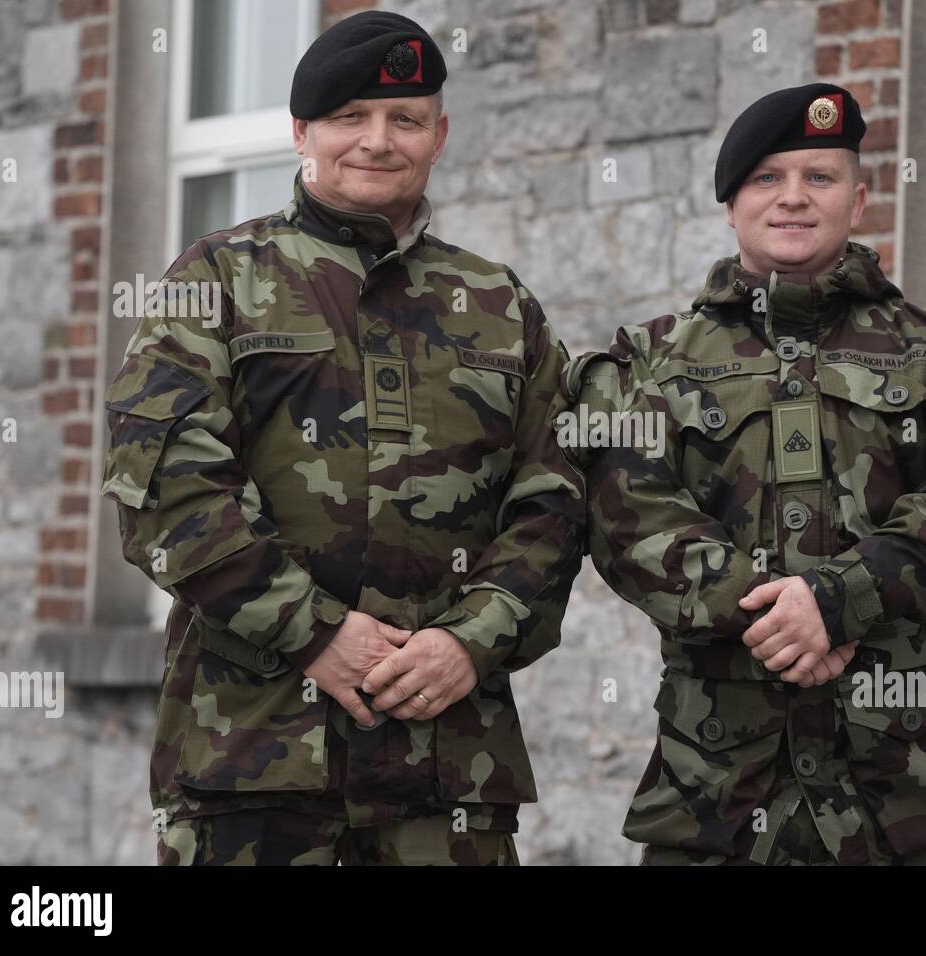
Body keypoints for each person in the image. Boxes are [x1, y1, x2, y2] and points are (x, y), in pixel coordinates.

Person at [100, 10, 582, 866]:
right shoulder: (216, 281)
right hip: (253, 763)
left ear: (440, 136)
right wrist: (314, 632)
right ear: (300, 133)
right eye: (350, 118)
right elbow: (165, 489)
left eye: (404, 120)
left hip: (448, 776)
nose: (378, 141)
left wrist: (471, 641)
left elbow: (557, 500)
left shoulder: (502, 306)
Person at [561, 83, 926, 865]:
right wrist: (772, 618)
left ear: (859, 195)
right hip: (711, 795)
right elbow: (626, 515)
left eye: (820, 177)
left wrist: (840, 599)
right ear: (731, 201)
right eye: (767, 179)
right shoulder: (642, 362)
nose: (794, 199)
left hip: (895, 798)